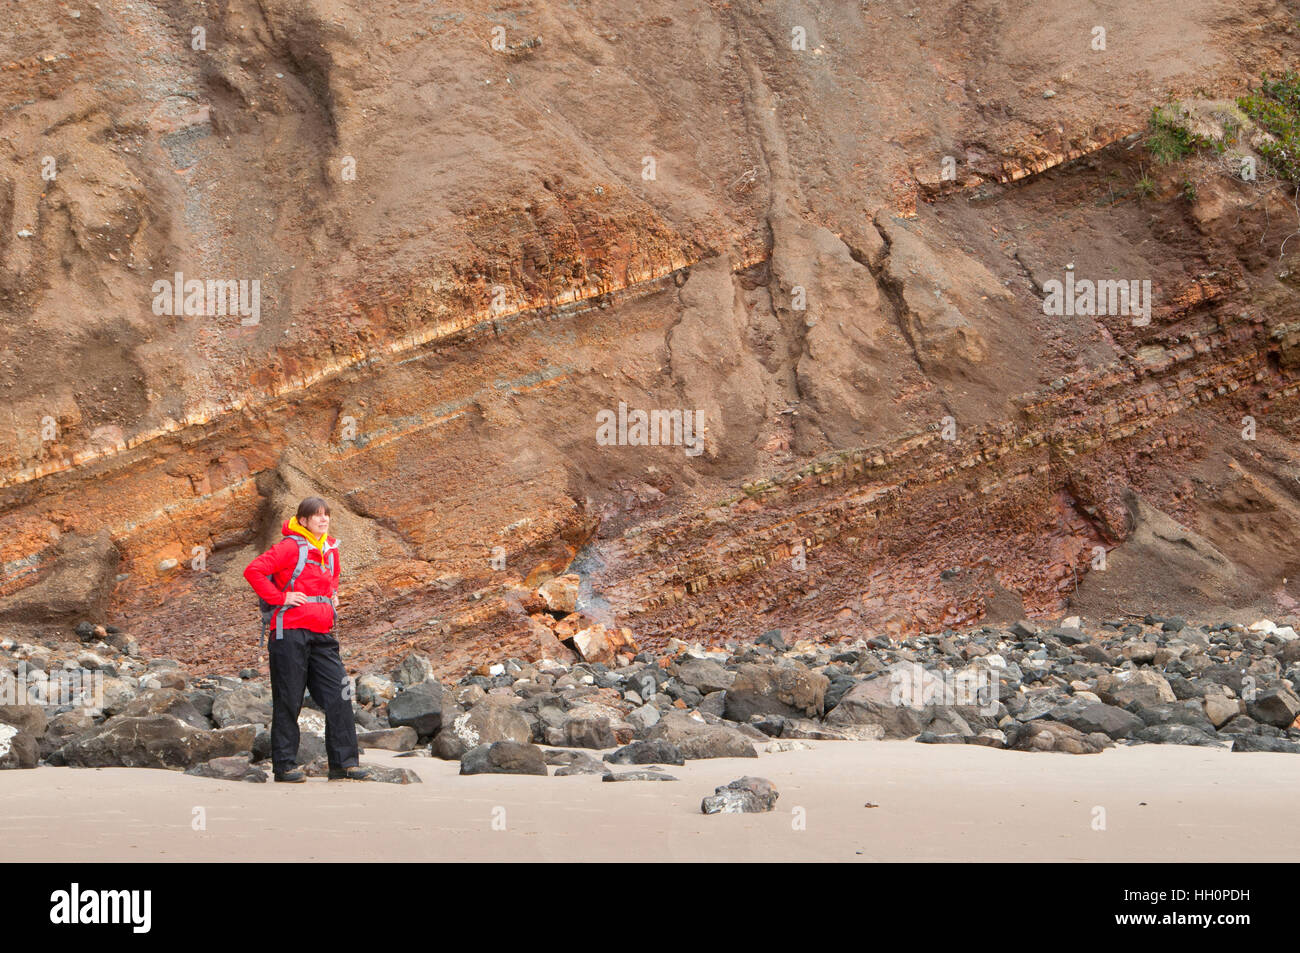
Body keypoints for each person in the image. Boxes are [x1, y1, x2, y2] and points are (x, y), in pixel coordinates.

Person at [243, 497, 372, 782]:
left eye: (326, 515)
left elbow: (334, 577)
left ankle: (343, 764)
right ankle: (284, 766)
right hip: (289, 633)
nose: (323, 520)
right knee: (289, 699)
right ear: (303, 521)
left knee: (341, 694)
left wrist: (332, 595)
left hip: (322, 634)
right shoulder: (290, 547)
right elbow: (253, 571)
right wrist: (281, 597)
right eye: (316, 516)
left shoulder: (331, 549)